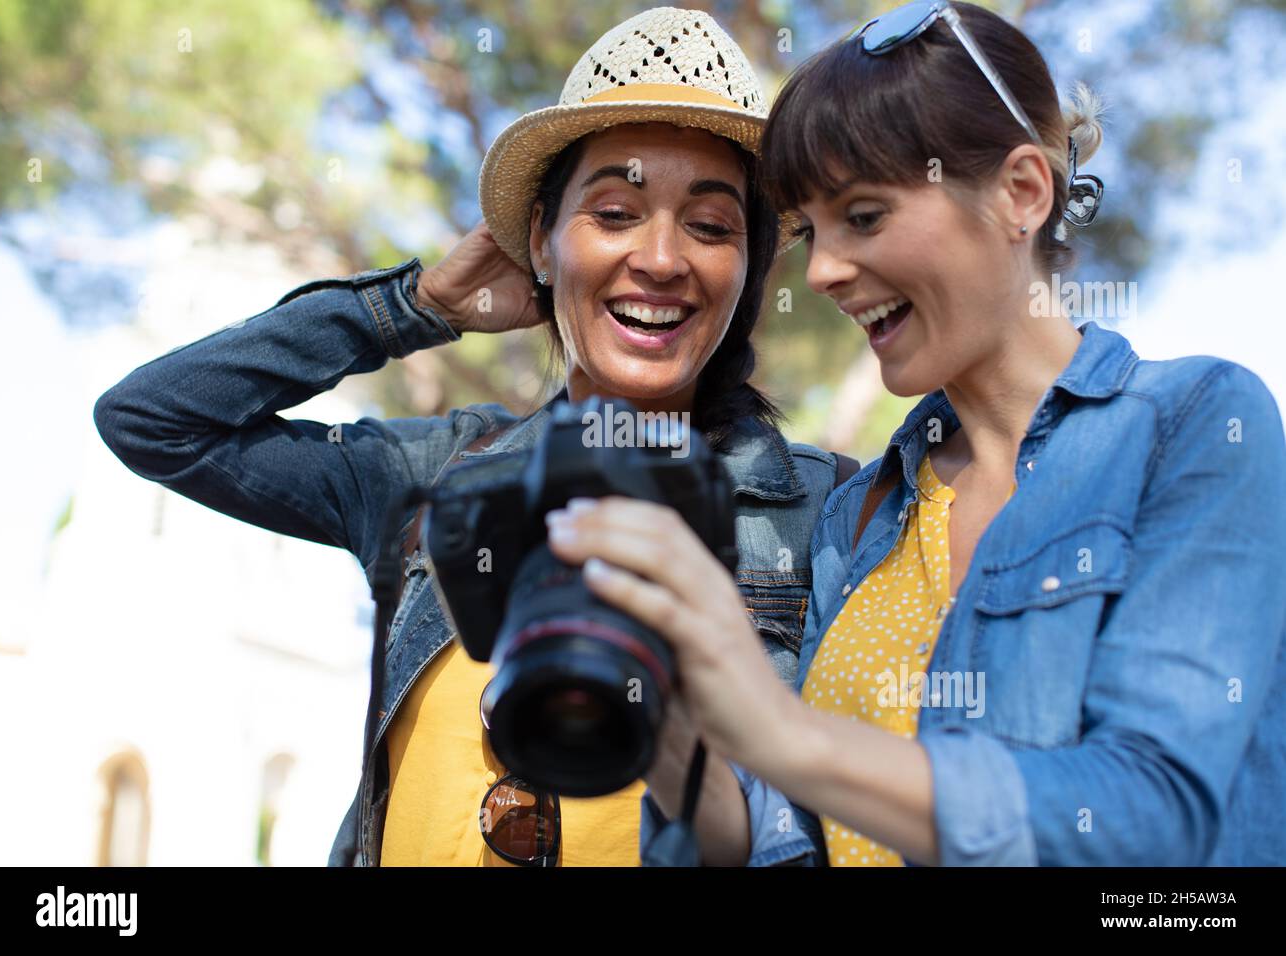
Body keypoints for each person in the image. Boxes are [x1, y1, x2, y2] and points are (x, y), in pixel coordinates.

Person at [93, 7, 855, 867]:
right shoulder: (438, 470)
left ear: (751, 268)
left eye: (713, 227)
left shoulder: (833, 513)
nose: (662, 258)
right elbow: (155, 420)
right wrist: (415, 307)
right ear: (539, 238)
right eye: (613, 212)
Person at [542, 0, 1286, 866]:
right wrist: (667, 708)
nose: (820, 271)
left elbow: (1151, 817)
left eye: (862, 217)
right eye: (811, 231)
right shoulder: (859, 512)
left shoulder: (1196, 425)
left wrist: (783, 731)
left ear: (1021, 193)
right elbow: (785, 835)